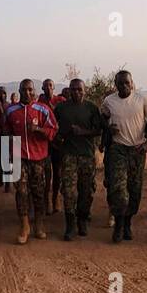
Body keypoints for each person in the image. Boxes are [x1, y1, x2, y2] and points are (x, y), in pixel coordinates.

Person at [100, 70, 147, 243]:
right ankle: (118, 225)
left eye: (127, 83)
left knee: (135, 190)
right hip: (118, 149)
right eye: (120, 83)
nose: (124, 86)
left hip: (137, 150)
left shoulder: (143, 99)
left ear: (132, 83)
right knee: (118, 189)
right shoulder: (109, 101)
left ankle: (128, 223)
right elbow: (102, 119)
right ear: (115, 84)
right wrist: (108, 128)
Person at [2, 79, 57, 244]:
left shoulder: (43, 109)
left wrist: (39, 130)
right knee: (21, 192)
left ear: (34, 91)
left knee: (38, 192)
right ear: (19, 91)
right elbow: (5, 129)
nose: (27, 93)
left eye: (30, 90)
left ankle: (39, 224)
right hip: (19, 158)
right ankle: (24, 225)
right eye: (24, 90)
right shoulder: (11, 110)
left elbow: (54, 129)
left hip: (39, 158)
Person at [53, 78, 103, 240]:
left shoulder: (91, 108)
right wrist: (58, 140)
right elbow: (53, 129)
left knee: (86, 191)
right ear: (69, 90)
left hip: (87, 155)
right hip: (68, 155)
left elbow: (98, 130)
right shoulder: (61, 108)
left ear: (84, 90)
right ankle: (70, 225)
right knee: (68, 191)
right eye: (73, 89)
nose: (76, 92)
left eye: (79, 89)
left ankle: (82, 219)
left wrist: (82, 132)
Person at [39, 78, 65, 213]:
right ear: (42, 88)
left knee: (58, 172)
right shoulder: (39, 103)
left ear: (54, 87)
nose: (48, 88)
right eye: (46, 86)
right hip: (44, 142)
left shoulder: (60, 101)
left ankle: (56, 198)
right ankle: (47, 199)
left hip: (58, 142)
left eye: (50, 85)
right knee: (46, 173)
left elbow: (64, 117)